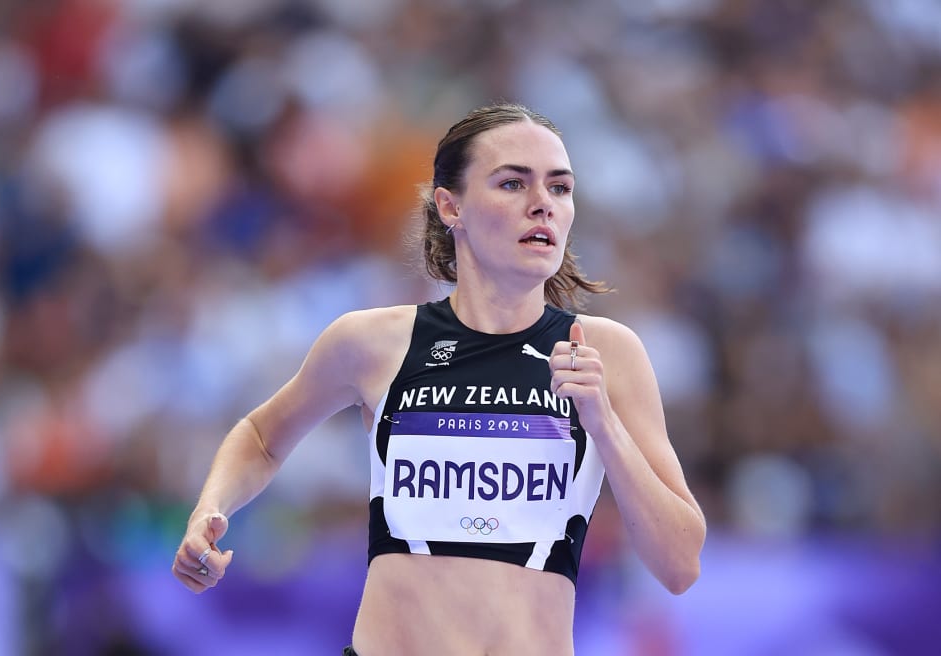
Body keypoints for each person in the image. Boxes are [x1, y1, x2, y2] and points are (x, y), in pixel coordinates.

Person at [172, 102, 706, 655]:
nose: (542, 204)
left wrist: (605, 424)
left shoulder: (605, 353)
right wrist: (209, 511)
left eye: (560, 188)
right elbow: (261, 438)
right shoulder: (374, 342)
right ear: (452, 206)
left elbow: (680, 566)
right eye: (512, 184)